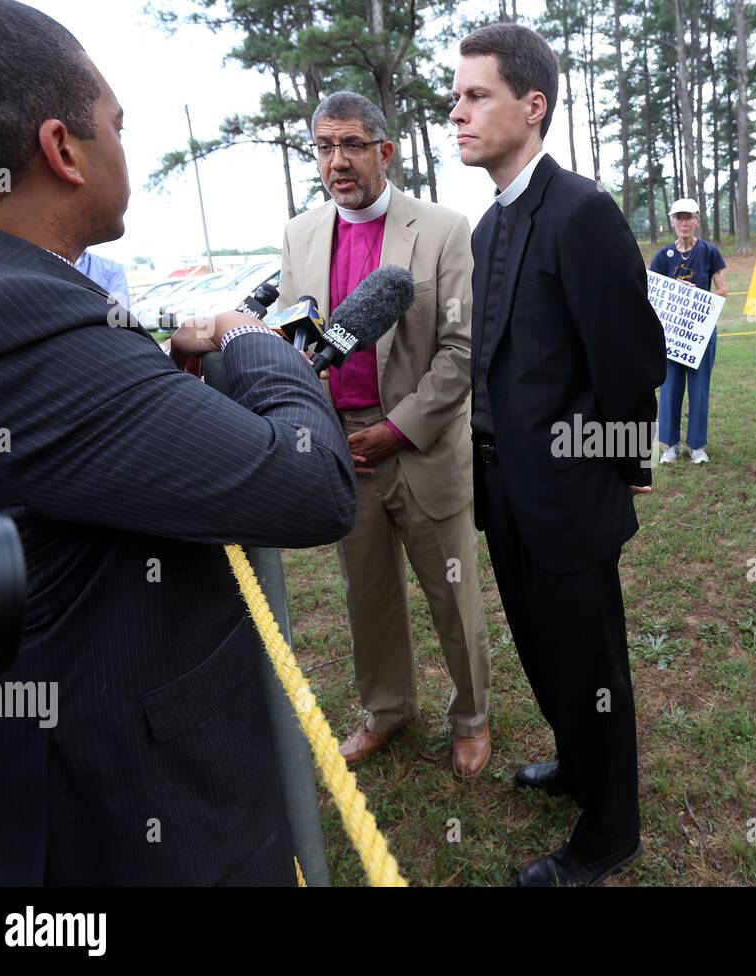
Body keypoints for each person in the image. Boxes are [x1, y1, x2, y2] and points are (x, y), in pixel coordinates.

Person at [0, 0, 356, 884]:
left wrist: (163, 398)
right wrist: (255, 341)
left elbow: (54, 480)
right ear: (63, 150)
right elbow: (312, 483)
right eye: (117, 127)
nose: (124, 151)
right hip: (136, 815)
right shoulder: (15, 318)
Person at [450, 22, 666, 886]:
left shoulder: (583, 212)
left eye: (476, 96)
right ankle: (578, 770)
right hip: (501, 485)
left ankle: (611, 831)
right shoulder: (487, 225)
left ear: (532, 106)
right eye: (455, 97)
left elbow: (629, 360)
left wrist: (616, 472)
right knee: (544, 652)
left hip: (570, 490)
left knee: (592, 665)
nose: (456, 113)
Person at [279, 92, 492, 776]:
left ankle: (472, 716)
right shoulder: (300, 234)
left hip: (420, 450)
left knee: (451, 593)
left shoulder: (444, 228)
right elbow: (297, 344)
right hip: (344, 452)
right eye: (323, 147)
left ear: (385, 151)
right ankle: (388, 710)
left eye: (350, 145)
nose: (336, 161)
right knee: (365, 595)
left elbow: (461, 351)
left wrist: (397, 431)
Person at [651, 198, 727, 465]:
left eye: (689, 217)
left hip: (700, 333)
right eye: (678, 218)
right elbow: (652, 293)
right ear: (672, 222)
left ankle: (697, 446)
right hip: (671, 335)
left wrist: (699, 296)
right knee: (669, 388)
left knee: (699, 389)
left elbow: (723, 290)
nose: (684, 223)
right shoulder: (662, 256)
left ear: (697, 221)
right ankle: (670, 445)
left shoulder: (709, 251)